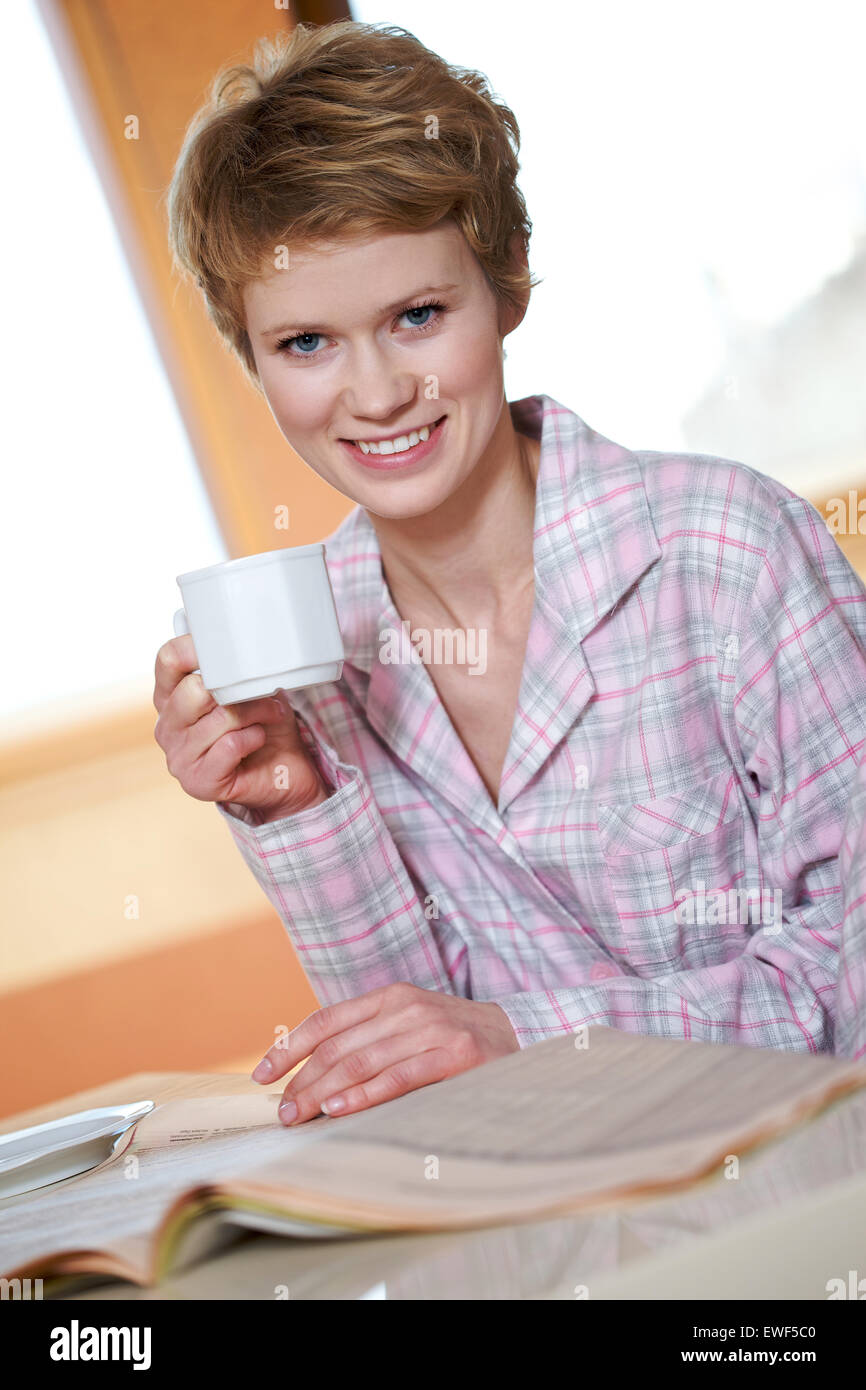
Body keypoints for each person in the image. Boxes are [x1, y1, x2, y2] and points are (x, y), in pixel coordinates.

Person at [153, 20, 866, 1127]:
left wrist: (530, 1033)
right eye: (306, 344)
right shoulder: (310, 658)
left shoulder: (728, 554)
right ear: (251, 357)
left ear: (507, 291)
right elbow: (414, 1065)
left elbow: (853, 979)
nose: (378, 392)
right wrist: (297, 804)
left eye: (418, 316)